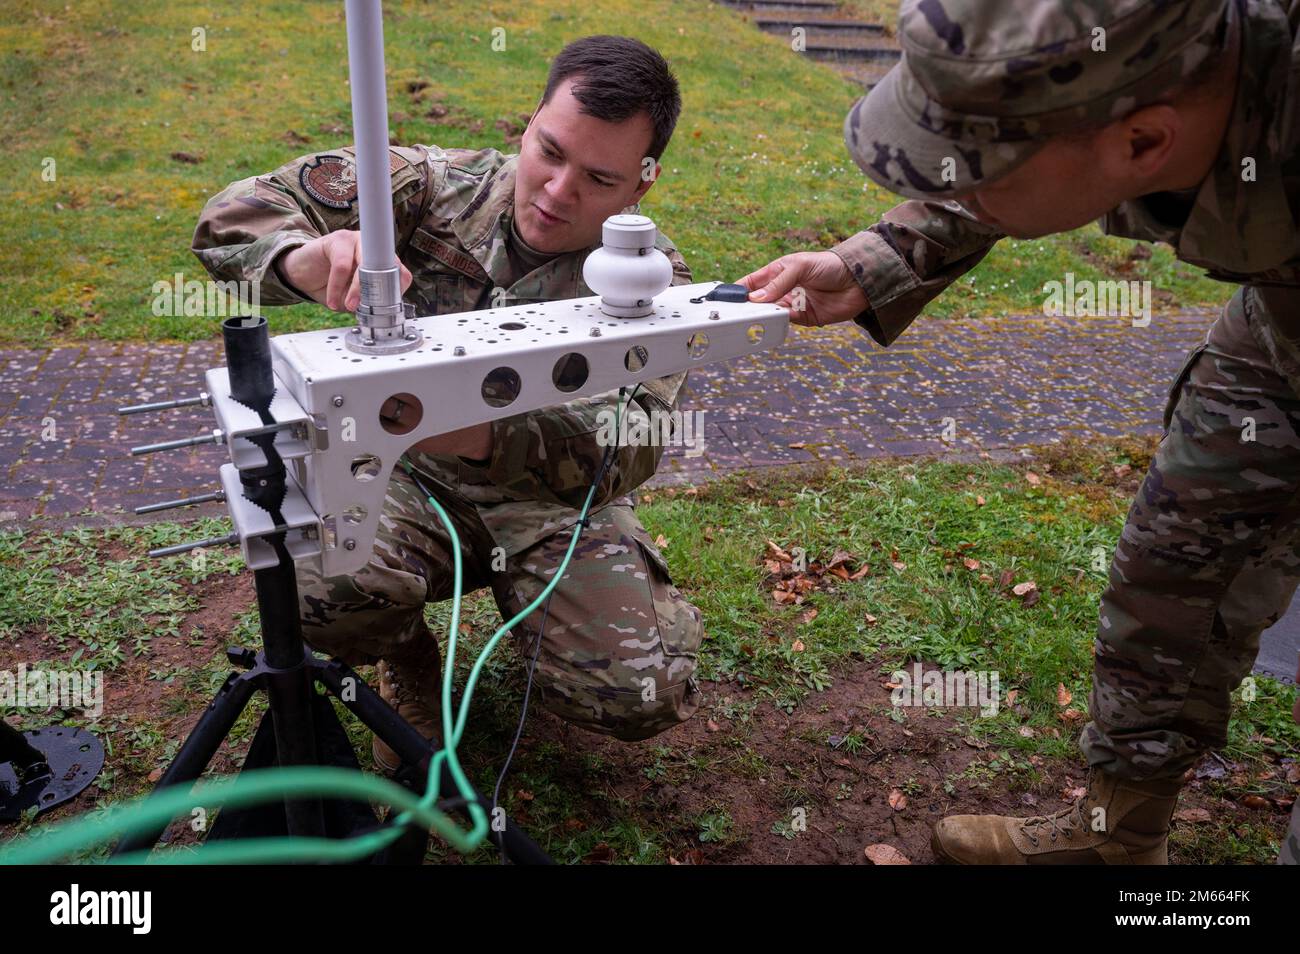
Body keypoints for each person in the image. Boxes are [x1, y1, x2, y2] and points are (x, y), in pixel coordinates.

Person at [741, 0, 1300, 864]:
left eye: (968, 171)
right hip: (1282, 317)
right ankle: (1119, 836)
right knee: (1179, 558)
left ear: (1146, 146)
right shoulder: (1143, 73)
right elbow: (1029, 151)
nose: (949, 186)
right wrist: (877, 260)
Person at [192, 35, 704, 773]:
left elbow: (630, 445)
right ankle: (409, 658)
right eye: (549, 152)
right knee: (315, 586)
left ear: (640, 187)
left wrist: (475, 430)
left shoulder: (650, 277)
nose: (558, 191)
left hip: (547, 503)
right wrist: (302, 259)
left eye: (598, 177)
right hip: (401, 476)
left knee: (639, 692)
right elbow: (231, 219)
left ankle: (567, 615)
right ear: (527, 124)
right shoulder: (430, 184)